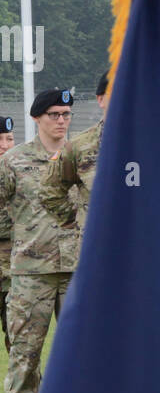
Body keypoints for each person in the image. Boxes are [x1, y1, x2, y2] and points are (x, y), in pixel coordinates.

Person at [0, 89, 77, 393]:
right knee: (25, 349)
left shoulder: (84, 158)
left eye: (65, 114)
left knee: (84, 347)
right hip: (32, 271)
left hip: (80, 270)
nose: (61, 120)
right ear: (36, 118)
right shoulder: (14, 161)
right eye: (53, 114)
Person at [41, 71, 109, 257]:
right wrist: (81, 221)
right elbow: (50, 192)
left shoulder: (158, 142)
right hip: (98, 251)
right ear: (100, 99)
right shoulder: (80, 146)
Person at [0, 117, 14, 352]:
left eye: (9, 139)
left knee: (20, 341)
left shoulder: (23, 173)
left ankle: (29, 390)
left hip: (14, 272)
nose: (5, 145)